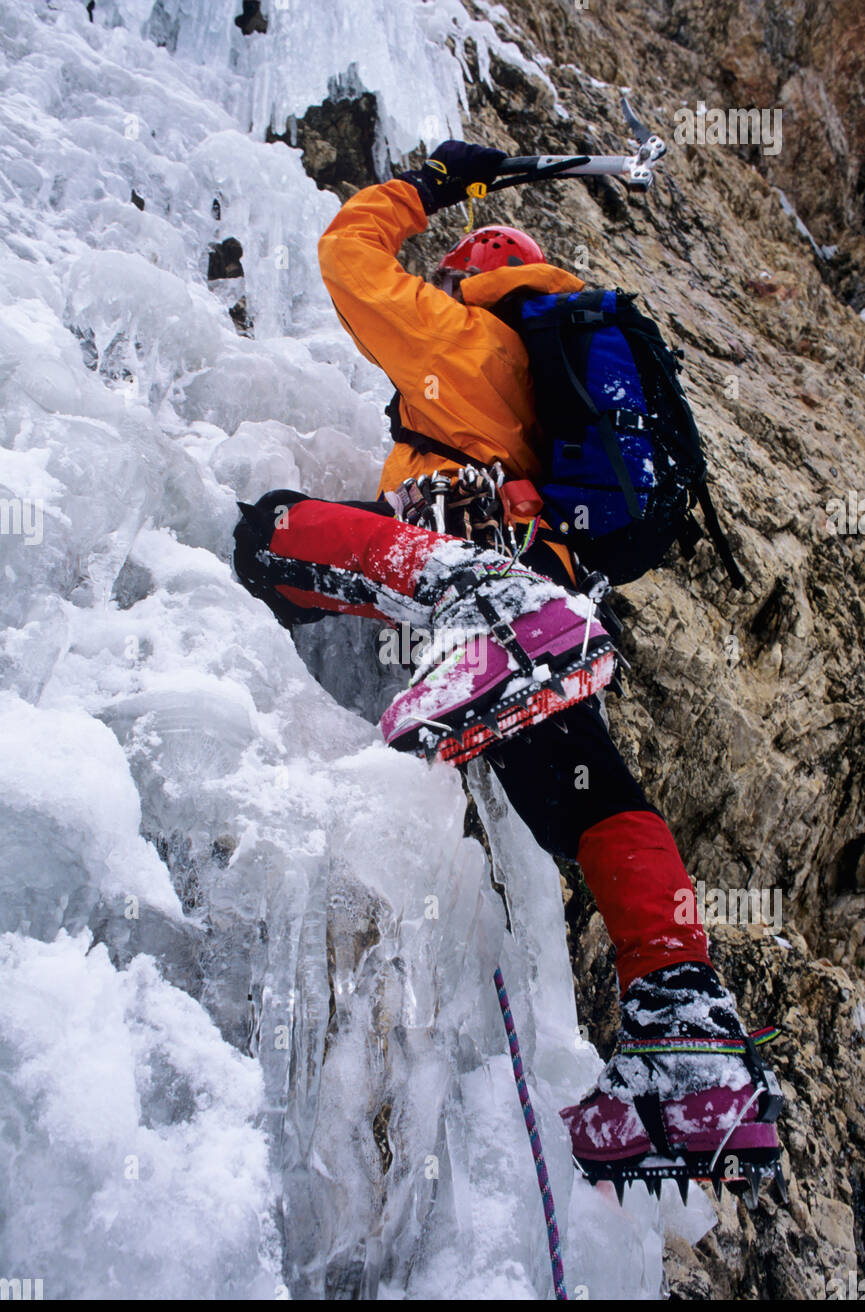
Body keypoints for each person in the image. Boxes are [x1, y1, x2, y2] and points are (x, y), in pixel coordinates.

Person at [233, 141, 783, 1199]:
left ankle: (465, 590)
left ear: (469, 275)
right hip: (554, 597)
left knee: (269, 531)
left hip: (488, 577)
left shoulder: (472, 335)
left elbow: (348, 254)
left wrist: (439, 176)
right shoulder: (568, 371)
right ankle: (687, 1034)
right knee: (588, 800)